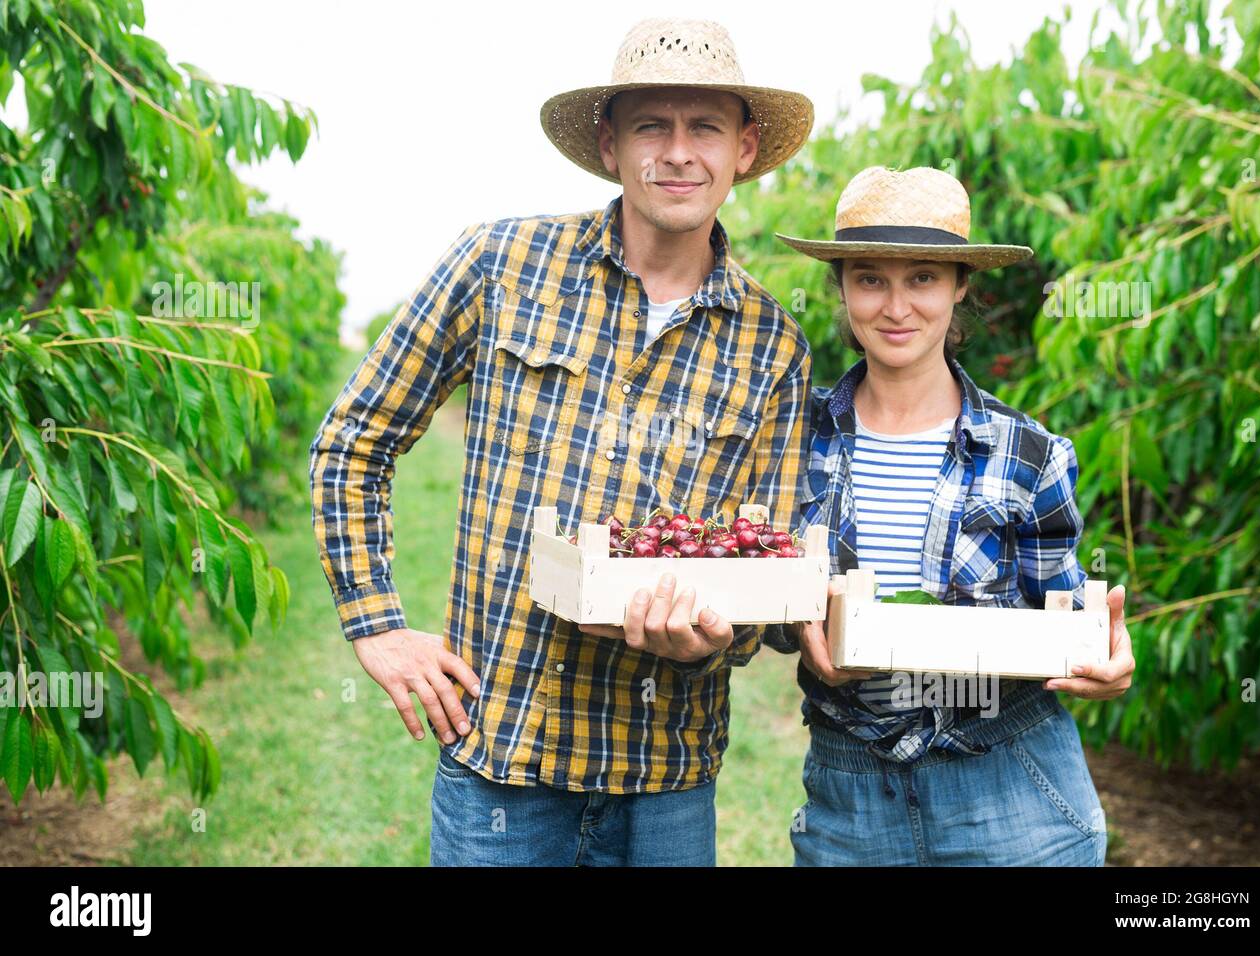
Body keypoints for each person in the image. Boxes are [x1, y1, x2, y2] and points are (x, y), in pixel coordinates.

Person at [308, 18, 814, 866]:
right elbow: (356, 437)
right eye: (653, 124)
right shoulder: (501, 265)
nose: (678, 152)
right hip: (502, 756)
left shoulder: (774, 346)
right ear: (611, 143)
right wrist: (376, 624)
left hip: (664, 779)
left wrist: (716, 635)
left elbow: (766, 571)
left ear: (746, 149)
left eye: (706, 128)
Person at [766, 165, 1136, 866]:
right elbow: (773, 603)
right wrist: (801, 634)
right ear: (841, 288)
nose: (896, 306)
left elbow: (1060, 618)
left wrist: (1102, 659)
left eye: (924, 278)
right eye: (870, 278)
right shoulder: (794, 441)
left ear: (961, 285)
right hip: (851, 801)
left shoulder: (1029, 455)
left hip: (1011, 797)